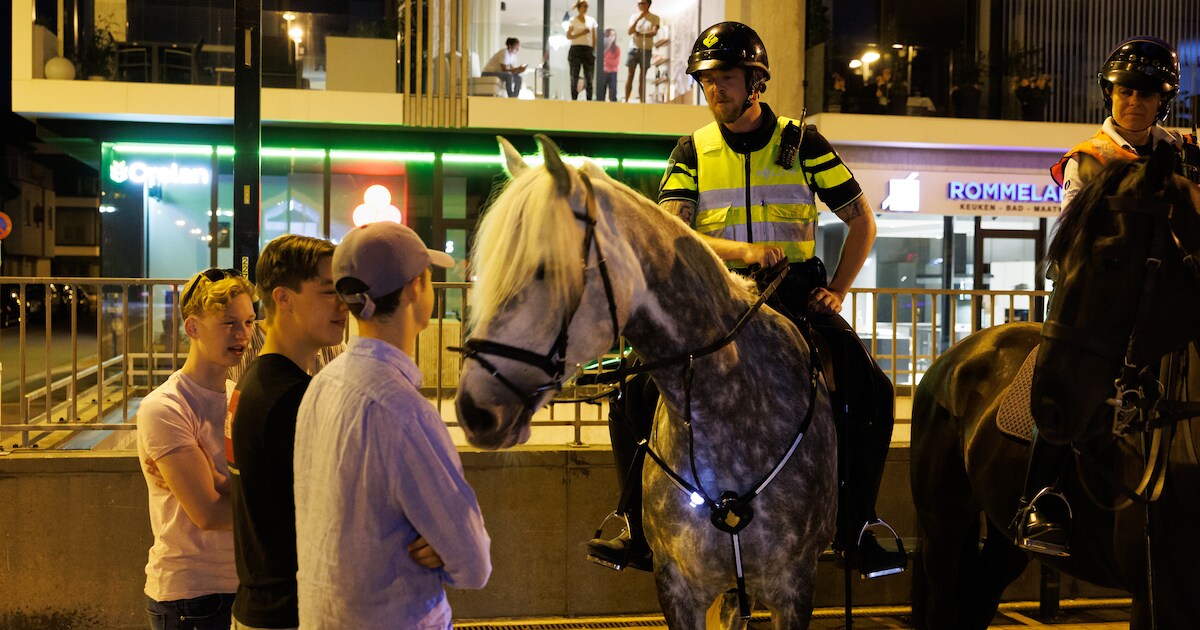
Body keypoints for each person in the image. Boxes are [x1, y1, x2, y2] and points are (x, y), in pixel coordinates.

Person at [586, 21, 907, 580]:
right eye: (707, 81)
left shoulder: (800, 142)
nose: (715, 92)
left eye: (726, 80)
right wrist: (744, 251)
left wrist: (839, 289)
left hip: (796, 295)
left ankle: (857, 523)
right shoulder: (692, 149)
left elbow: (862, 222)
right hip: (715, 296)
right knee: (633, 389)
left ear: (755, 81)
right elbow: (673, 231)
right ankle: (632, 524)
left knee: (870, 389)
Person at [1015, 36, 1186, 557]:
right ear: (1109, 93)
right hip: (1093, 298)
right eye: (1125, 90)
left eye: (1147, 92)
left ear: (1163, 100)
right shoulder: (1087, 159)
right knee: (1066, 390)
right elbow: (1076, 238)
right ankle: (1042, 501)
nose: (1134, 100)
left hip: (1161, 297)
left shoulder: (1182, 150)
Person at [293, 221, 491, 628]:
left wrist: (442, 543)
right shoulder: (405, 411)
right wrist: (444, 545)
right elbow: (474, 565)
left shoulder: (321, 385)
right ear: (416, 287)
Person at [226, 235, 348, 630]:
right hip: (288, 615)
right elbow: (351, 513)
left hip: (264, 607)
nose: (344, 305)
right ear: (284, 298)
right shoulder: (288, 398)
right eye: (329, 291)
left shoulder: (258, 381)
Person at [137, 268, 256, 629]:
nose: (244, 334)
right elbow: (209, 513)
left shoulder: (239, 393)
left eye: (250, 321)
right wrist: (285, 492)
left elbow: (233, 487)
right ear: (192, 328)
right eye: (228, 323)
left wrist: (226, 481)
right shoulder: (166, 407)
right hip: (191, 596)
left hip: (244, 585)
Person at [624, 0, 660, 103]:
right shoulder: (634, 17)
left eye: (642, 3)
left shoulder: (654, 18)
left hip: (646, 49)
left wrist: (638, 34)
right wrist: (638, 19)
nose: (640, 5)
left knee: (642, 76)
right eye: (639, 3)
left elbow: (654, 32)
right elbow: (630, 31)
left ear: (648, 4)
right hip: (633, 48)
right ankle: (626, 100)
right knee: (630, 74)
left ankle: (642, 101)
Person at [565, 0, 597, 101]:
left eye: (587, 6)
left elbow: (594, 37)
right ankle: (574, 98)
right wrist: (581, 33)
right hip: (576, 48)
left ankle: (589, 99)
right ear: (579, 7)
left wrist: (593, 49)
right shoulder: (573, 20)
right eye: (584, 6)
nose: (586, 8)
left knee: (589, 76)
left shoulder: (591, 20)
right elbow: (569, 36)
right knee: (574, 75)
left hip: (588, 49)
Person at [600, 28, 621, 102]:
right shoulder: (601, 48)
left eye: (614, 35)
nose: (612, 37)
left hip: (612, 72)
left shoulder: (616, 49)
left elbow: (615, 63)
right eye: (610, 35)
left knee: (613, 93)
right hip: (603, 72)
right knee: (601, 93)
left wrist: (605, 62)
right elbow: (599, 61)